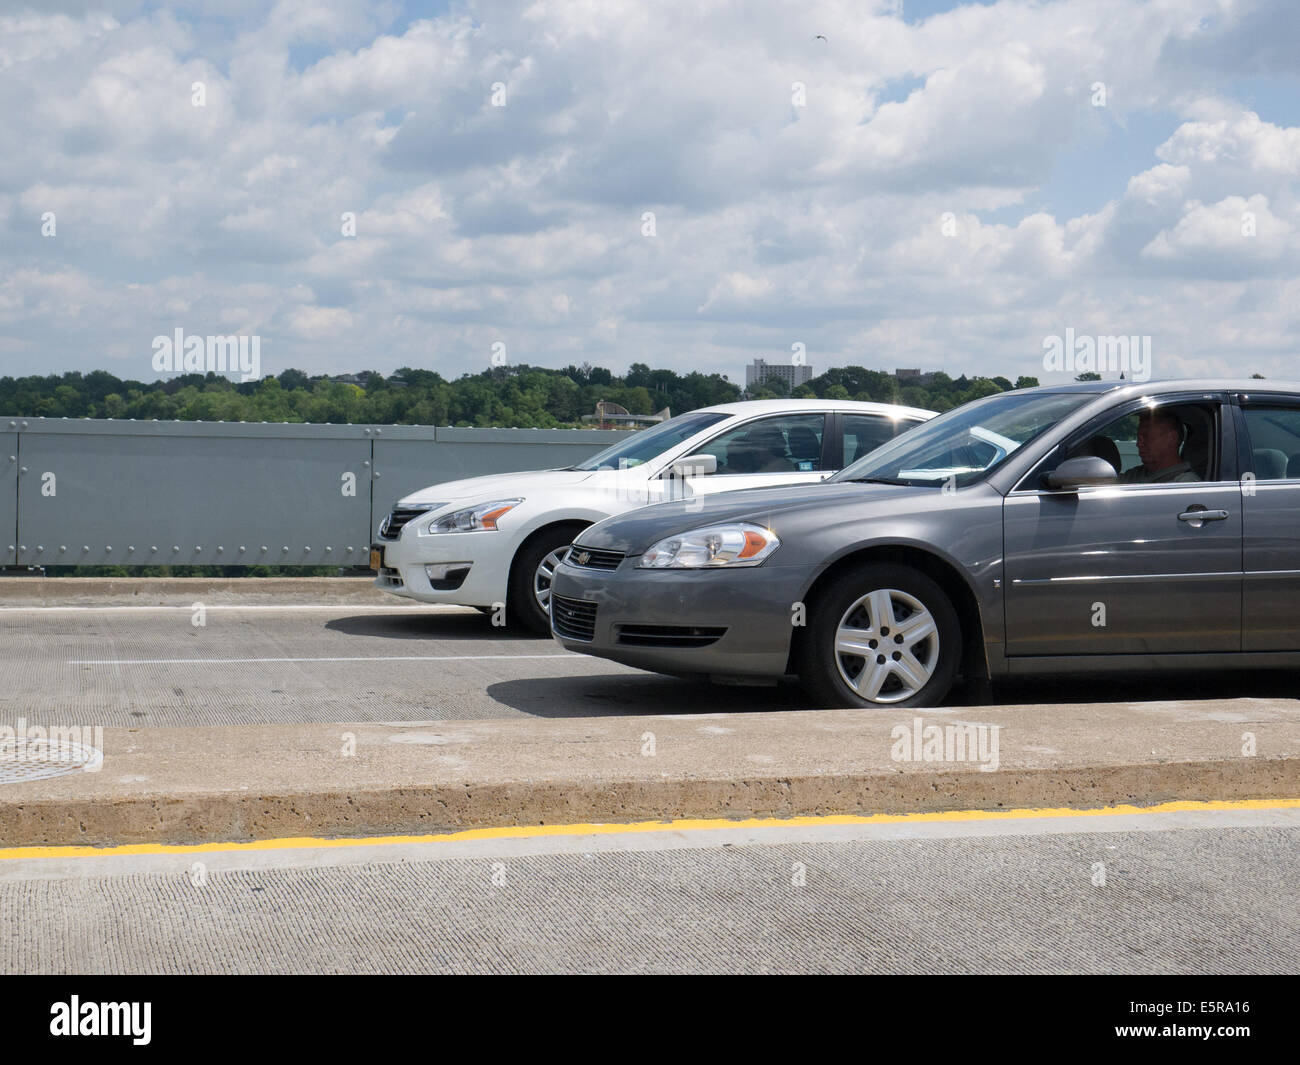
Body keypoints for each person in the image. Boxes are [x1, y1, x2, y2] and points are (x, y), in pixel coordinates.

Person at [1119, 408, 1200, 483]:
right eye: (1138, 437)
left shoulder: (1186, 485)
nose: (1138, 444)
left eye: (1146, 436)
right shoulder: (1134, 475)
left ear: (1172, 438)